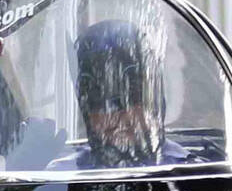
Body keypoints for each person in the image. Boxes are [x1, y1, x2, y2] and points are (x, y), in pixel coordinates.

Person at [69, 18, 188, 169]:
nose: (115, 114)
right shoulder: (64, 177)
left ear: (155, 100)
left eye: (133, 94)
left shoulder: (190, 175)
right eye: (97, 99)